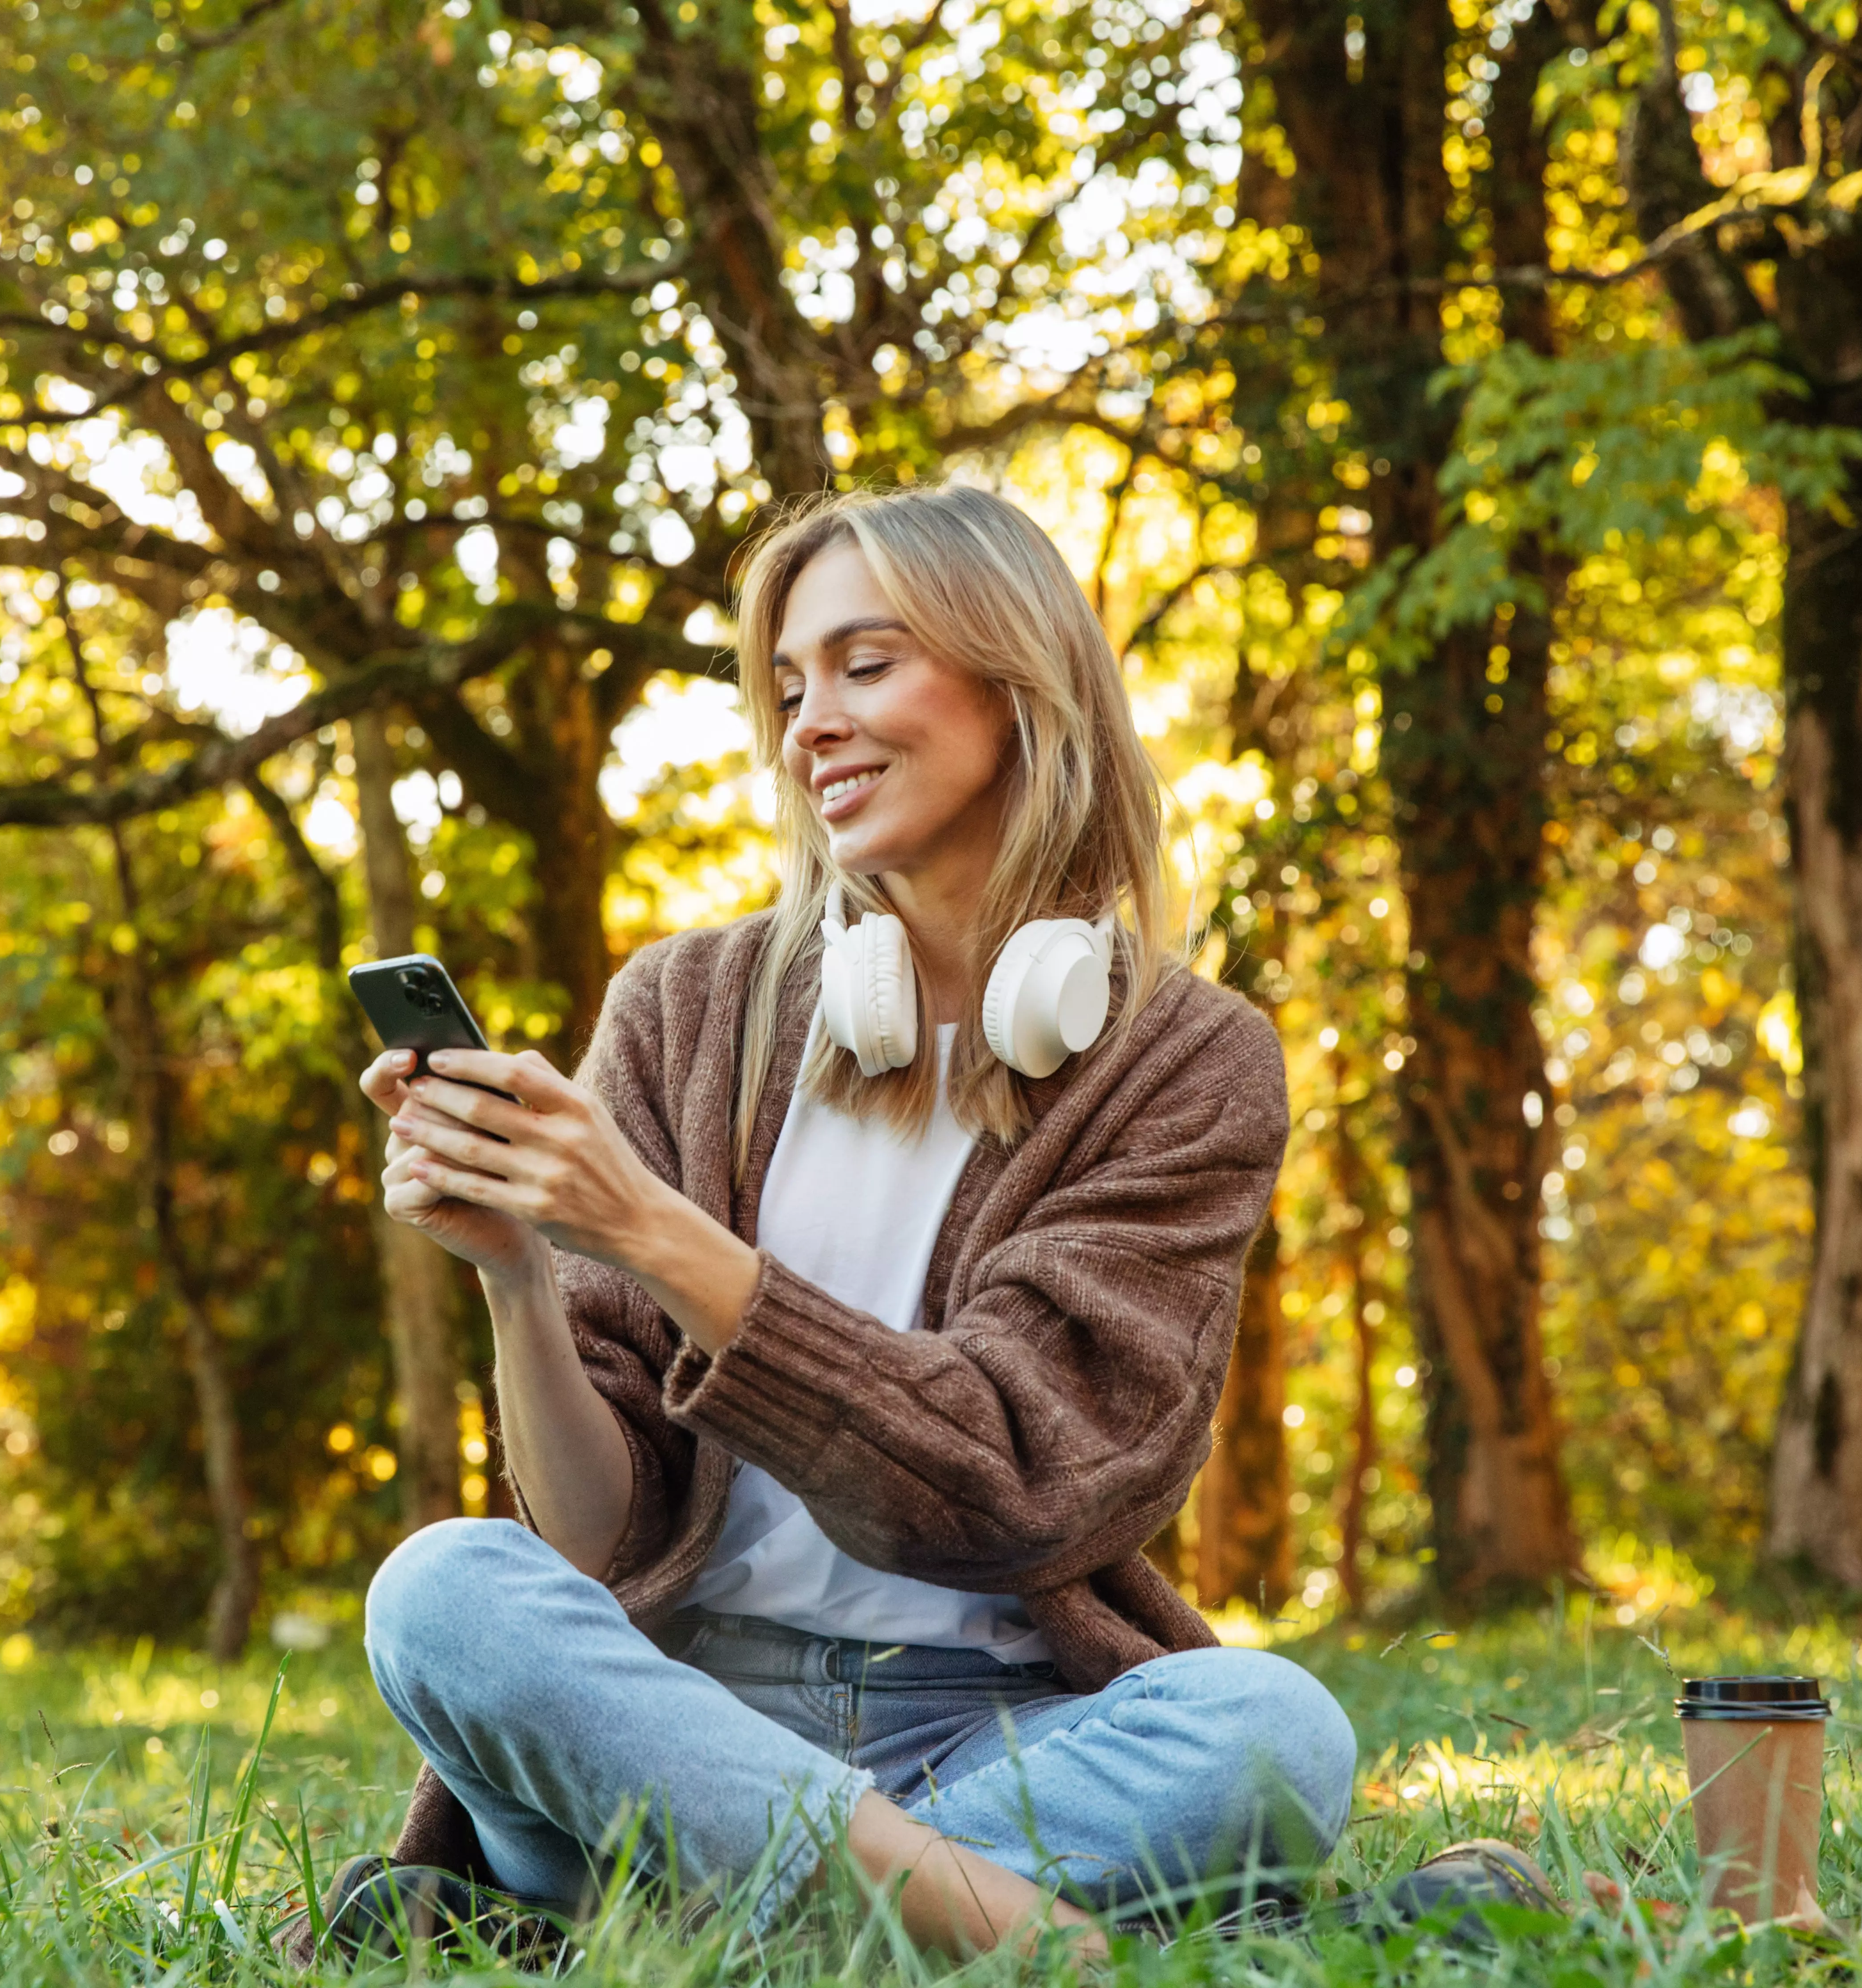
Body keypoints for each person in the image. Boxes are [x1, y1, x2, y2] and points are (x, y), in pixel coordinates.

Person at [315, 483, 1354, 1960]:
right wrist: (522, 1285)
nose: (809, 724)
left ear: (1021, 683)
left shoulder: (1186, 1060)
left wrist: (661, 1235)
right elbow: (601, 1549)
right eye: (790, 687)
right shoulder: (687, 1010)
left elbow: (1017, 1483)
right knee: (445, 1593)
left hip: (997, 1731)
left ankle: (676, 1928)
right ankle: (1035, 1942)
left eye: (866, 666)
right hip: (674, 1722)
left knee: (1271, 1730)